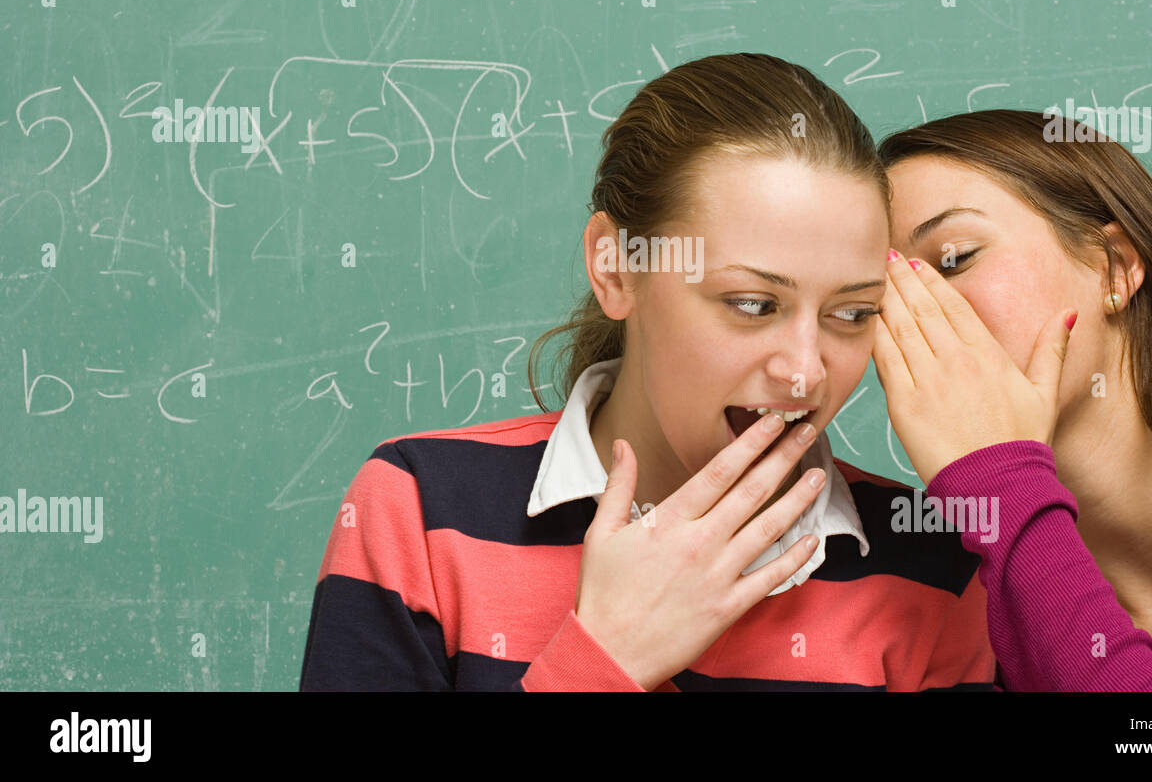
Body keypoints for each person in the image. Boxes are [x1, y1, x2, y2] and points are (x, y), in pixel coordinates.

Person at [299, 53, 996, 691]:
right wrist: (604, 660)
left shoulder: (933, 569)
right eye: (753, 304)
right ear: (615, 267)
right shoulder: (420, 513)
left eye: (851, 314)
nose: (804, 372)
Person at [871, 108, 1152, 690]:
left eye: (954, 259)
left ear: (1114, 267)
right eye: (876, 296)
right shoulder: (955, 592)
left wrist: (999, 478)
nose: (917, 313)